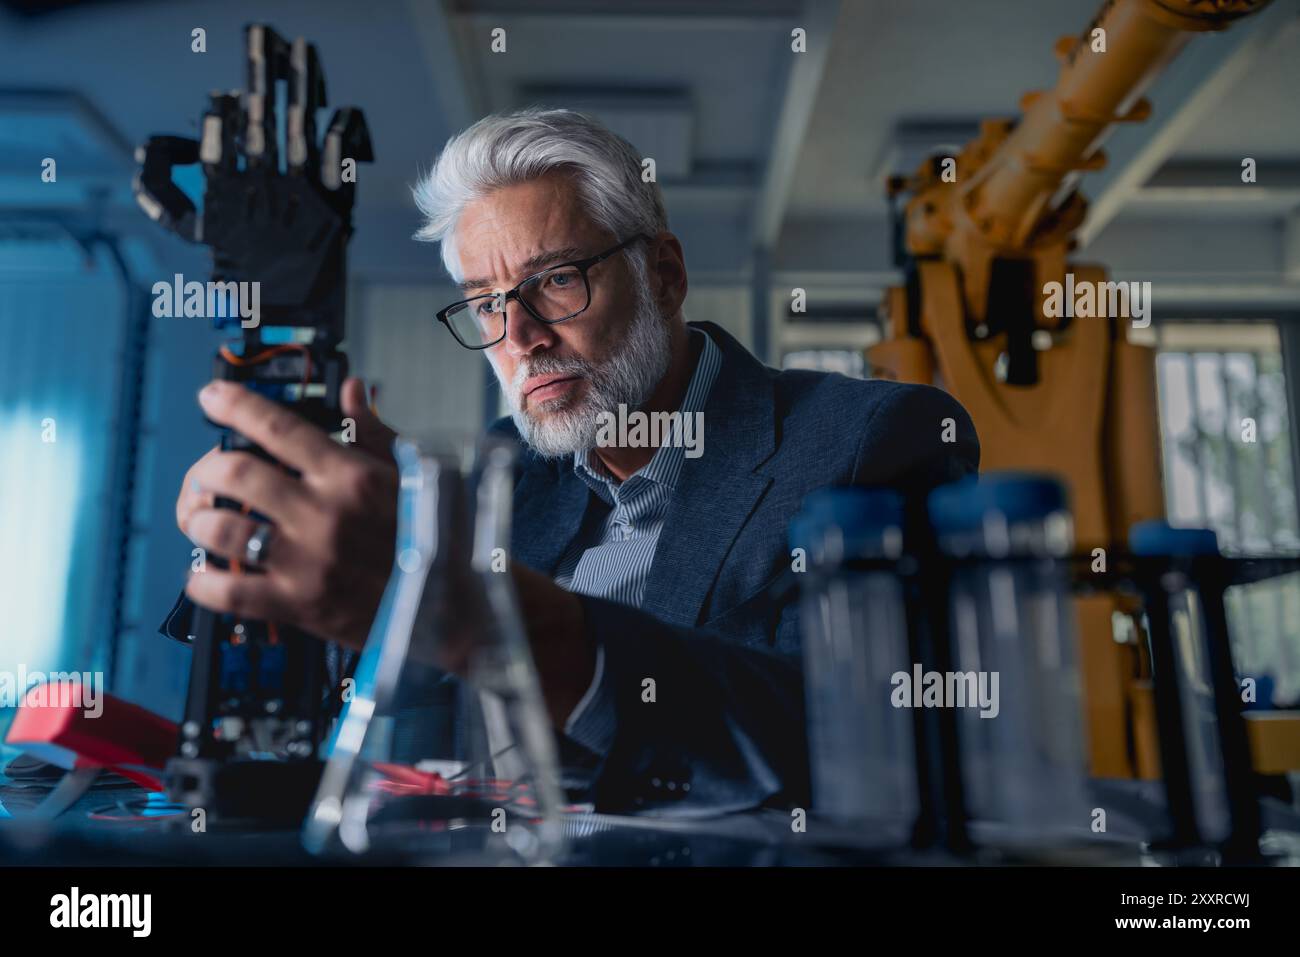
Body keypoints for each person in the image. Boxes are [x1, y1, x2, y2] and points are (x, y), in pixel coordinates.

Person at [167, 108, 979, 814]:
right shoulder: (499, 472)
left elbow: (874, 744)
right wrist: (385, 537)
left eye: (554, 280)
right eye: (487, 302)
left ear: (663, 274)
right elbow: (414, 735)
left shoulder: (876, 440)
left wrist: (487, 610)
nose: (519, 338)